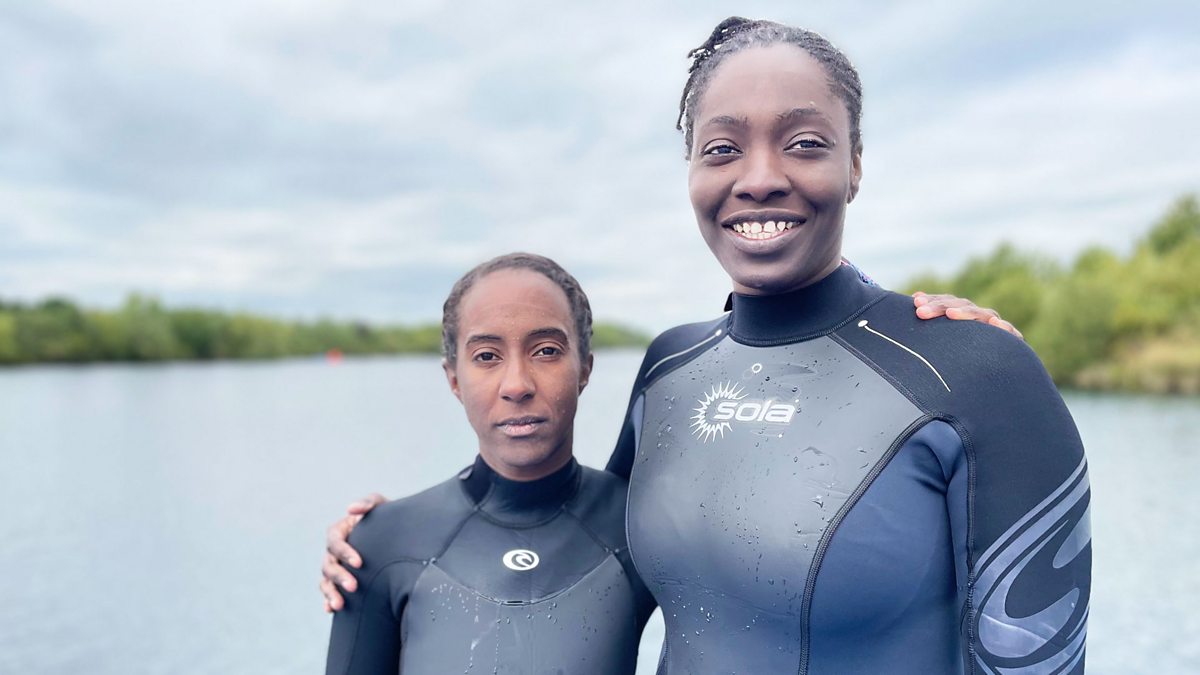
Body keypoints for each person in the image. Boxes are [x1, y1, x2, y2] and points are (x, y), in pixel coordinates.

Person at [324, 17, 1090, 674]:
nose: (759, 177)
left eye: (804, 142)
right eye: (722, 149)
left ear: (855, 163)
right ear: (691, 170)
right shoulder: (670, 370)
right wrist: (386, 540)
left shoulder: (976, 372)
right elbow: (572, 539)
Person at [324, 253, 656, 675]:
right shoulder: (382, 543)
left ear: (584, 369)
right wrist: (373, 534)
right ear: (454, 380)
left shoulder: (642, 526)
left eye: (546, 351)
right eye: (486, 356)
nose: (516, 385)